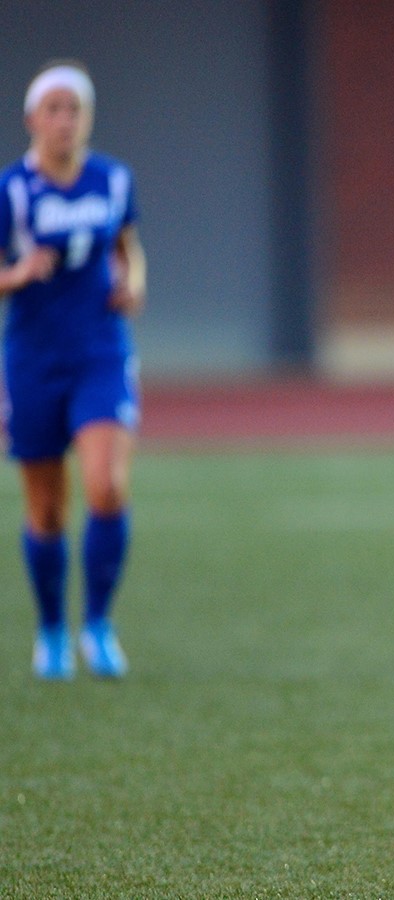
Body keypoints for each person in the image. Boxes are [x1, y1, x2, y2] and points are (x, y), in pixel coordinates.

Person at [1, 60, 146, 680]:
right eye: (53, 109)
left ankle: (99, 624)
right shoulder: (12, 190)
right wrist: (16, 274)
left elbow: (128, 245)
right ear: (32, 118)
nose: (65, 120)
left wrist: (135, 283)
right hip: (33, 357)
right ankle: (53, 628)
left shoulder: (112, 180)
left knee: (107, 487)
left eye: (75, 109)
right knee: (47, 509)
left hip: (100, 352)